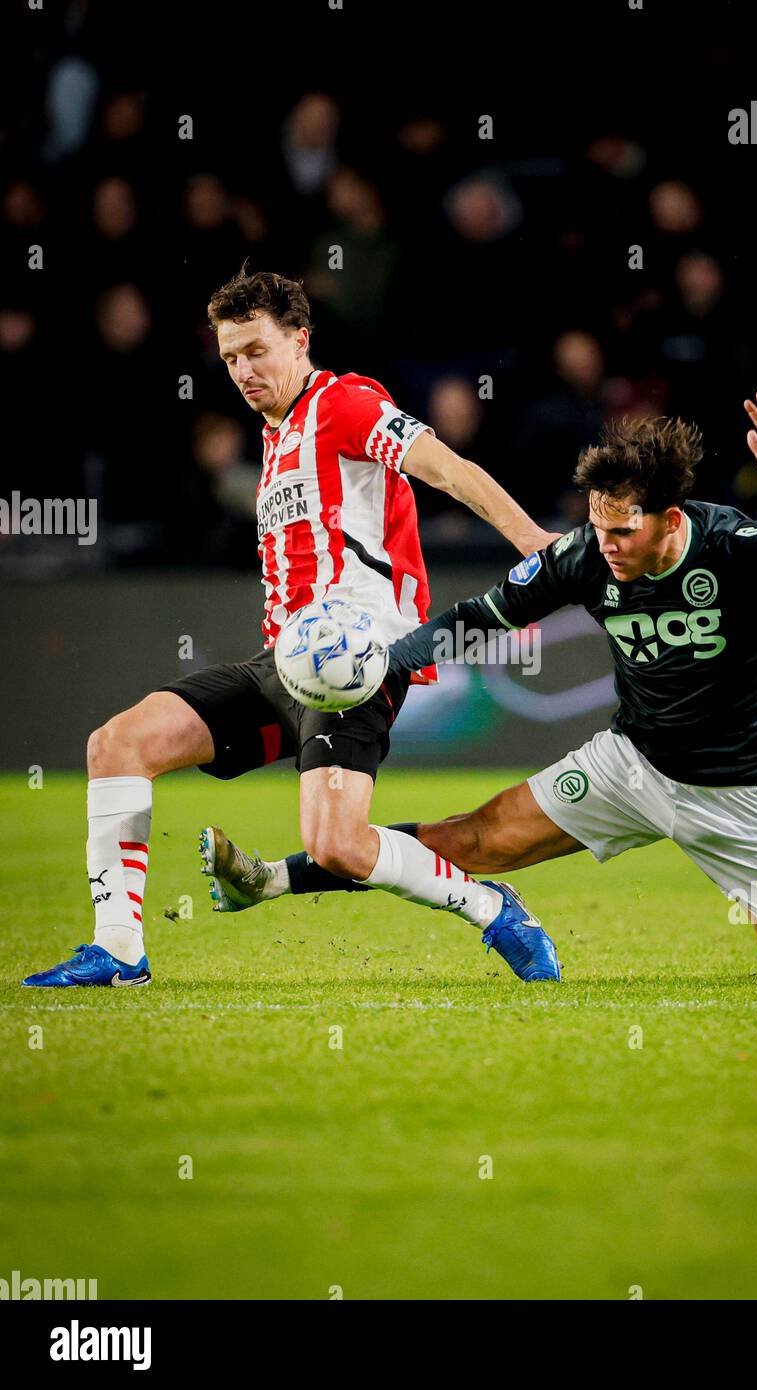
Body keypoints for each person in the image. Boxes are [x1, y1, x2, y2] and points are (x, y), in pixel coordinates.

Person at [206, 391, 757, 980]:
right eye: (597, 528)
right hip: (629, 765)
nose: (607, 547)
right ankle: (275, 878)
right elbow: (479, 616)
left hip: (741, 789)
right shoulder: (588, 556)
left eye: (623, 532)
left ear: (670, 519)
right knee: (471, 840)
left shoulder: (736, 547)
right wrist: (385, 664)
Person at [23, 269, 561, 989]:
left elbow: (445, 468)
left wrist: (533, 542)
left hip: (357, 662)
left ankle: (492, 906)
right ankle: (119, 951)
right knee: (118, 744)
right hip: (282, 663)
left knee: (338, 845)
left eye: (256, 350)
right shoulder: (275, 439)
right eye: (230, 358)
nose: (243, 371)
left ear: (299, 339)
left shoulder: (344, 403)